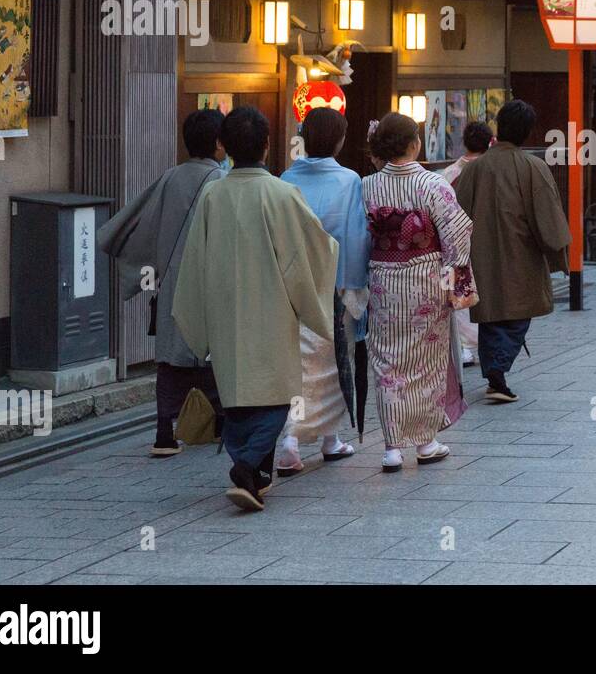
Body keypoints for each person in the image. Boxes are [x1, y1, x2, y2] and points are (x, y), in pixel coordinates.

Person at [172, 107, 338, 512]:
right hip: (272, 311)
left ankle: (255, 475)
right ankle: (247, 467)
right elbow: (312, 252)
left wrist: (198, 314)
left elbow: (193, 260)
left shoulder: (213, 194)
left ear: (223, 146)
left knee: (237, 395)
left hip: (226, 310)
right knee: (276, 396)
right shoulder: (281, 194)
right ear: (267, 144)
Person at [96, 109, 226, 458]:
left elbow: (139, 224)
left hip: (170, 287)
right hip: (209, 287)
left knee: (169, 363)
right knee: (215, 359)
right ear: (218, 143)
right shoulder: (222, 183)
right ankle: (217, 424)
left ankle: (164, 433)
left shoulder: (170, 177)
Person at [362, 113, 477, 473]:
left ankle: (392, 447)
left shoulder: (367, 186)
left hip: (382, 277)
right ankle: (426, 441)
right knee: (427, 362)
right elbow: (457, 233)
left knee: (386, 360)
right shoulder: (433, 184)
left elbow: (360, 234)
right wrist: (454, 276)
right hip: (426, 277)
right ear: (414, 144)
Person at [273, 107, 371, 475]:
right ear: (340, 140)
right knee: (333, 364)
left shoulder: (285, 179)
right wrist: (355, 287)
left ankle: (308, 439)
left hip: (292, 286)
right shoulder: (349, 181)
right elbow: (356, 236)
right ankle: (310, 440)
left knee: (296, 363)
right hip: (335, 284)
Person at [456, 100, 571, 403]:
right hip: (523, 254)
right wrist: (558, 251)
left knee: (490, 314)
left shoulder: (474, 169)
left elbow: (456, 214)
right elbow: (549, 217)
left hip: (481, 254)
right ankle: (497, 370)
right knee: (520, 312)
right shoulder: (533, 167)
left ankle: (496, 372)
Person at [442, 121, 494, 366]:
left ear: (464, 142)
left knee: (461, 290)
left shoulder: (449, 174)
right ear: (489, 142)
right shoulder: (493, 171)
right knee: (487, 290)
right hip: (489, 239)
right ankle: (485, 341)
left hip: (457, 241)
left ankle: (464, 345)